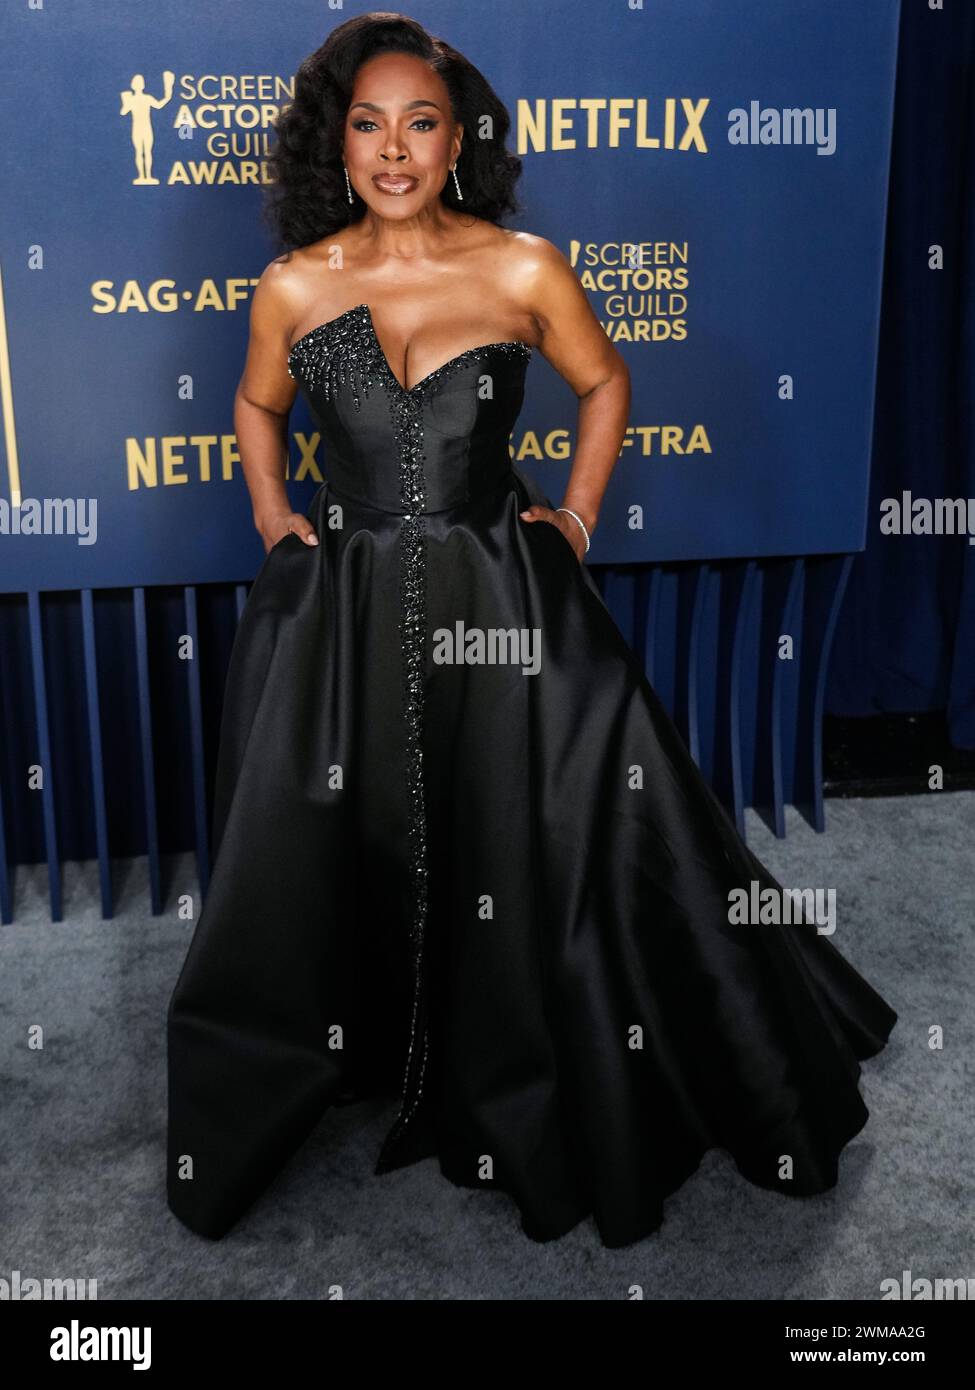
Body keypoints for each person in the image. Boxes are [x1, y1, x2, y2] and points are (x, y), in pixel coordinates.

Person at [166, 12, 897, 1249]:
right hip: (342, 610)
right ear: (334, 142)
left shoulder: (521, 268)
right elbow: (253, 401)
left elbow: (607, 381)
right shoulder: (294, 283)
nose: (393, 149)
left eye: (421, 123)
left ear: (458, 140)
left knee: (554, 826)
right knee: (331, 843)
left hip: (503, 600)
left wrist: (577, 517)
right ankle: (365, 1045)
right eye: (367, 123)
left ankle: (542, 1057)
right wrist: (275, 511)